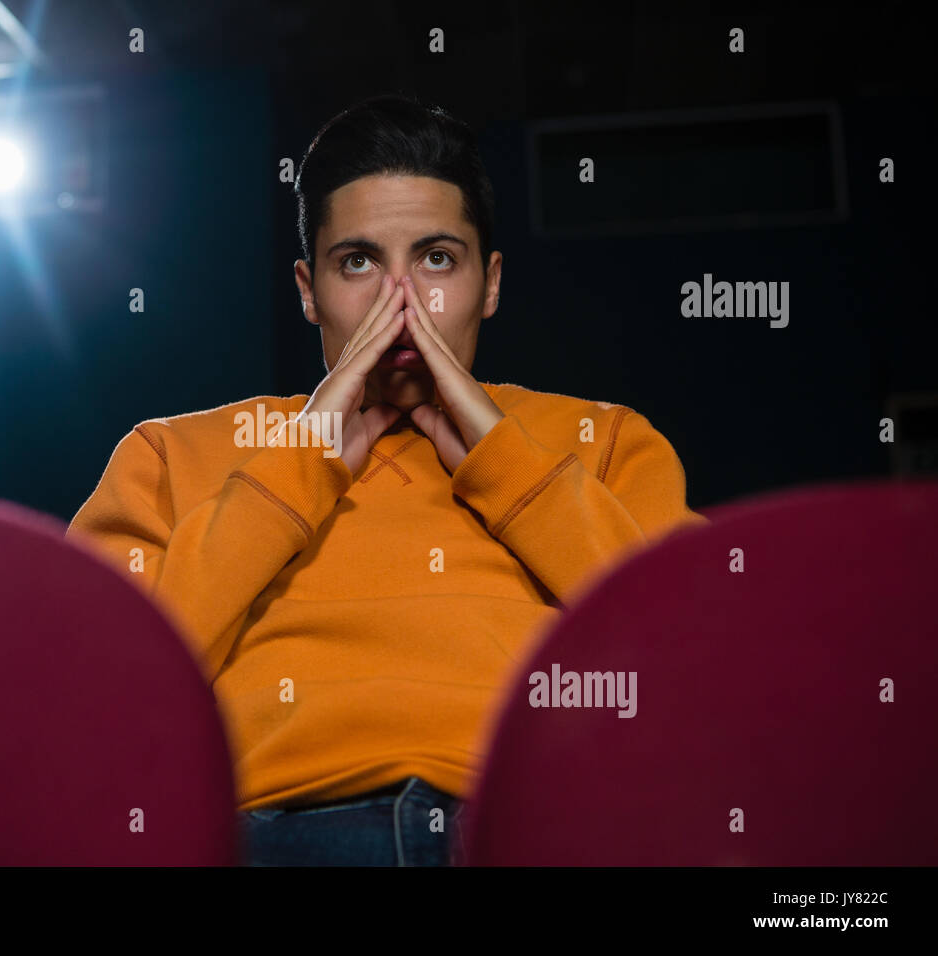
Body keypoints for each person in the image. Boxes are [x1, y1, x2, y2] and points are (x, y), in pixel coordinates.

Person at [67, 93, 707, 866]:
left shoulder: (603, 441)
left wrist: (507, 461)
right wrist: (301, 459)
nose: (401, 306)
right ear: (308, 291)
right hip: (269, 836)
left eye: (437, 259)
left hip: (546, 831)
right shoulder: (171, 453)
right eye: (359, 262)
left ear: (491, 283)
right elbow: (91, 700)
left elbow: (702, 667)